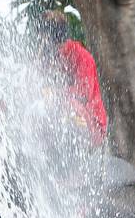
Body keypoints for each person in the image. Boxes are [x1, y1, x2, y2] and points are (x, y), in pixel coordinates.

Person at [41, 10, 108, 146]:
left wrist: (54, 93)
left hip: (91, 125)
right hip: (63, 119)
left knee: (66, 105)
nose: (42, 44)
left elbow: (83, 94)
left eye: (44, 39)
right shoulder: (48, 58)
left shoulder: (82, 57)